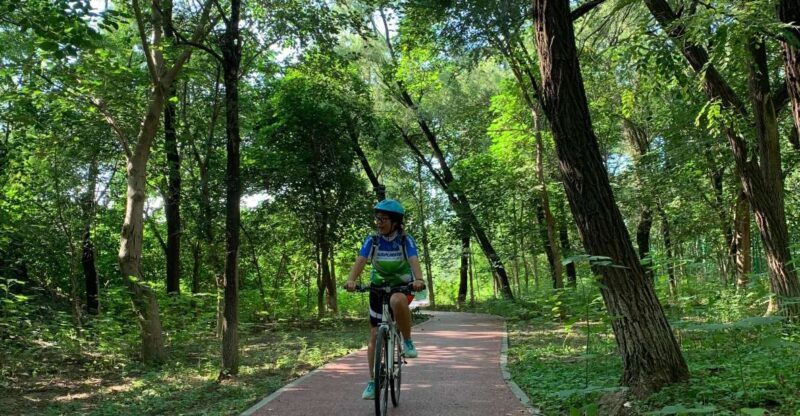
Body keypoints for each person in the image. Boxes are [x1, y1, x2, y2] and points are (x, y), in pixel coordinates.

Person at [345, 199, 426, 400]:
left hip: (402, 286)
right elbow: (362, 260)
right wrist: (351, 280)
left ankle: (407, 341)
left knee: (397, 300)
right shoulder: (372, 240)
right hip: (377, 288)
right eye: (377, 219)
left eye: (383, 219)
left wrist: (419, 279)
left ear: (396, 222)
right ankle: (373, 381)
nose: (379, 223)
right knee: (373, 335)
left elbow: (413, 259)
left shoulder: (405, 240)